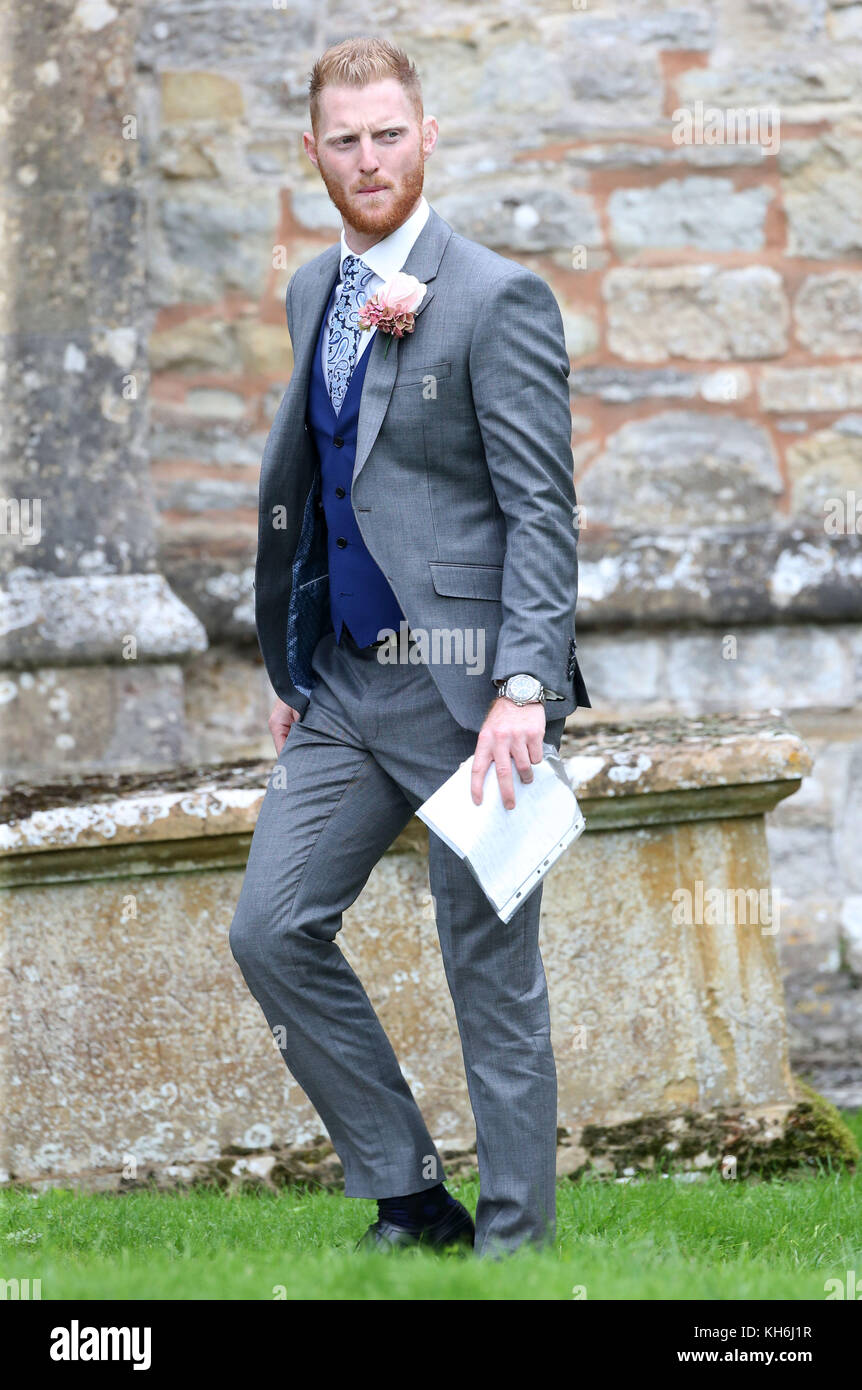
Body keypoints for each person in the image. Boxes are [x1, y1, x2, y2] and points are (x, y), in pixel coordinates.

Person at [229, 35, 591, 1259]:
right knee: (271, 928)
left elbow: (542, 508)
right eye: (344, 139)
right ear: (315, 152)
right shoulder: (308, 291)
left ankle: (516, 1247)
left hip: (470, 691)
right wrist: (293, 659)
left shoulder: (495, 296)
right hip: (343, 688)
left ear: (425, 136)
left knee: (488, 972)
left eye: (388, 133)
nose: (367, 158)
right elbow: (323, 488)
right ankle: (408, 1192)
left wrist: (526, 684)